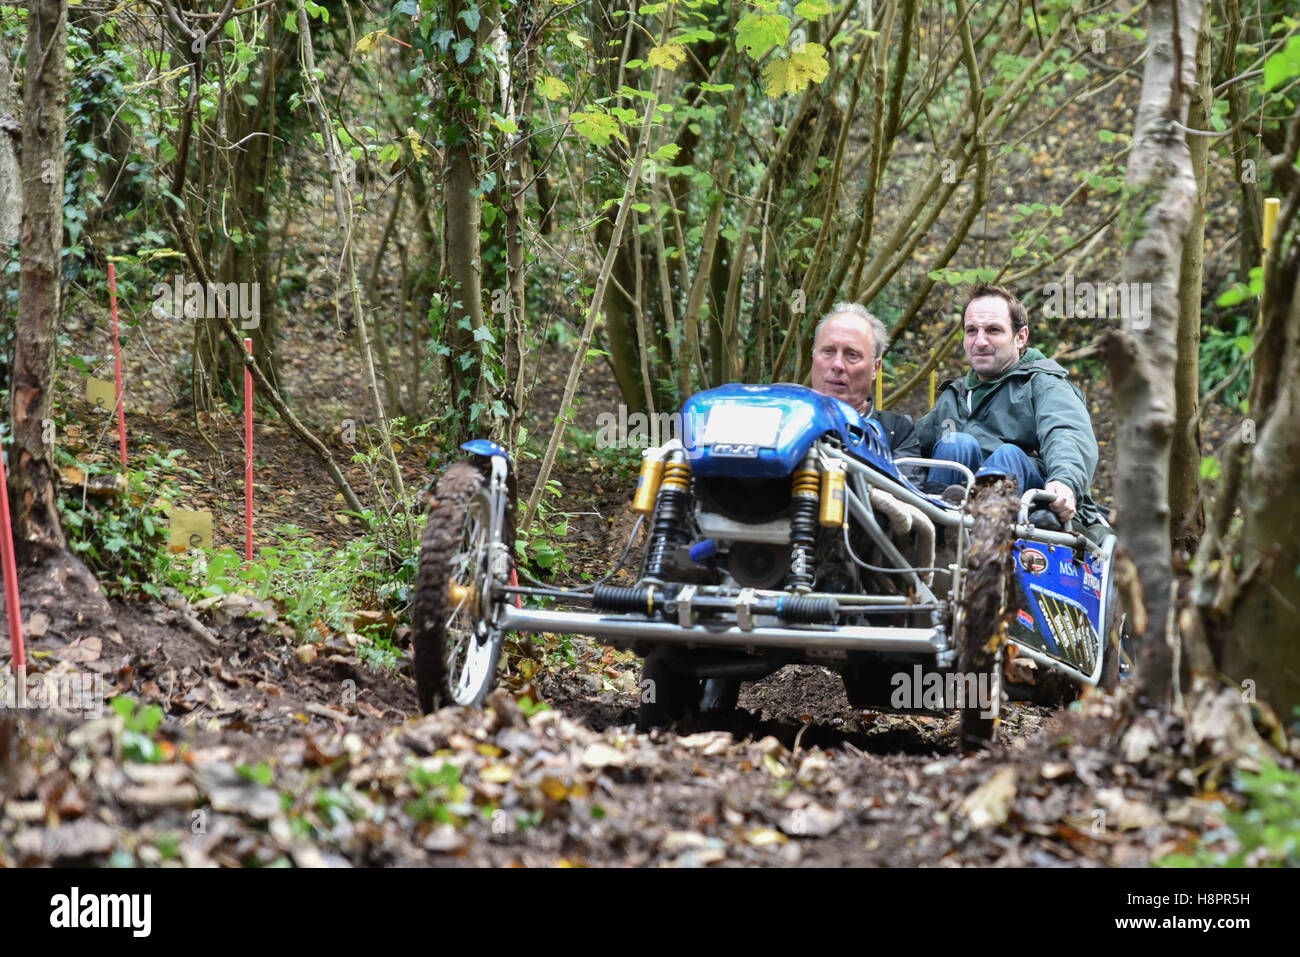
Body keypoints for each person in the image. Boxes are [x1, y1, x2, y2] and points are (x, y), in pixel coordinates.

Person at [913, 282, 1103, 532]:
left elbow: (1066, 432)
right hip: (957, 513)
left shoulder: (1042, 384)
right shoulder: (953, 397)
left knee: (1008, 455)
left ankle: (987, 548)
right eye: (971, 331)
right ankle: (940, 541)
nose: (980, 341)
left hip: (1032, 510)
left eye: (993, 330)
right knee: (954, 444)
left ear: (1020, 337)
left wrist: (1064, 480)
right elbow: (910, 445)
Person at [809, 302, 921, 460]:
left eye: (852, 355)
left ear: (875, 368)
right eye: (828, 351)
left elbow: (908, 482)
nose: (837, 365)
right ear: (814, 357)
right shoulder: (784, 415)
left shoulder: (897, 432)